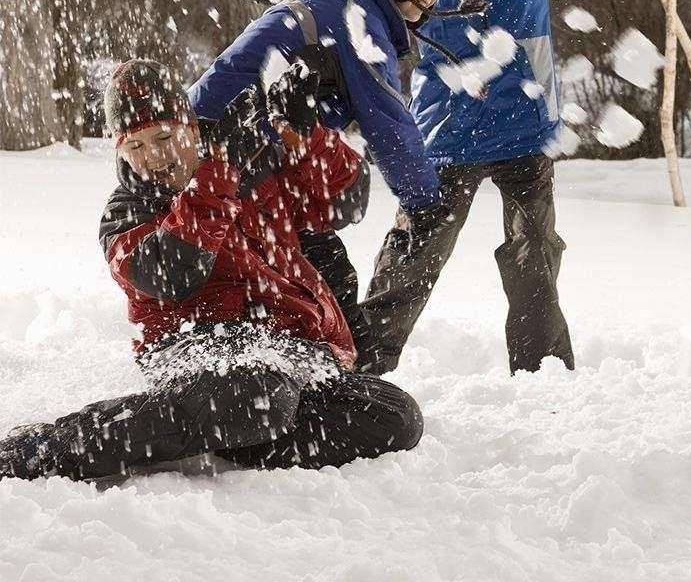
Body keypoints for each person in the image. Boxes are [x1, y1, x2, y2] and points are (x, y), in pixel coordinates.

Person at [0, 60, 422, 481]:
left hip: (287, 350)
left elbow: (345, 204)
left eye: (164, 137)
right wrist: (217, 176)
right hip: (195, 350)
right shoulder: (127, 212)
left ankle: (235, 434)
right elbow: (174, 272)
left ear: (192, 127)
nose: (154, 156)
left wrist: (304, 135)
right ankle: (51, 448)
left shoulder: (254, 166)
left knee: (396, 417)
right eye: (136, 147)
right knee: (257, 395)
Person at [359, 0, 667, 375]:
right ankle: (360, 364)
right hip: (447, 127)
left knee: (535, 257)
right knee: (416, 252)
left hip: (523, 123)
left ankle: (543, 373)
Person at [189, 0, 457, 361]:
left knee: (310, 269)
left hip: (230, 157)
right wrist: (426, 201)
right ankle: (340, 389)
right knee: (324, 281)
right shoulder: (359, 23)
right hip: (234, 160)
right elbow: (389, 125)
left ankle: (313, 376)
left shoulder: (340, 0)